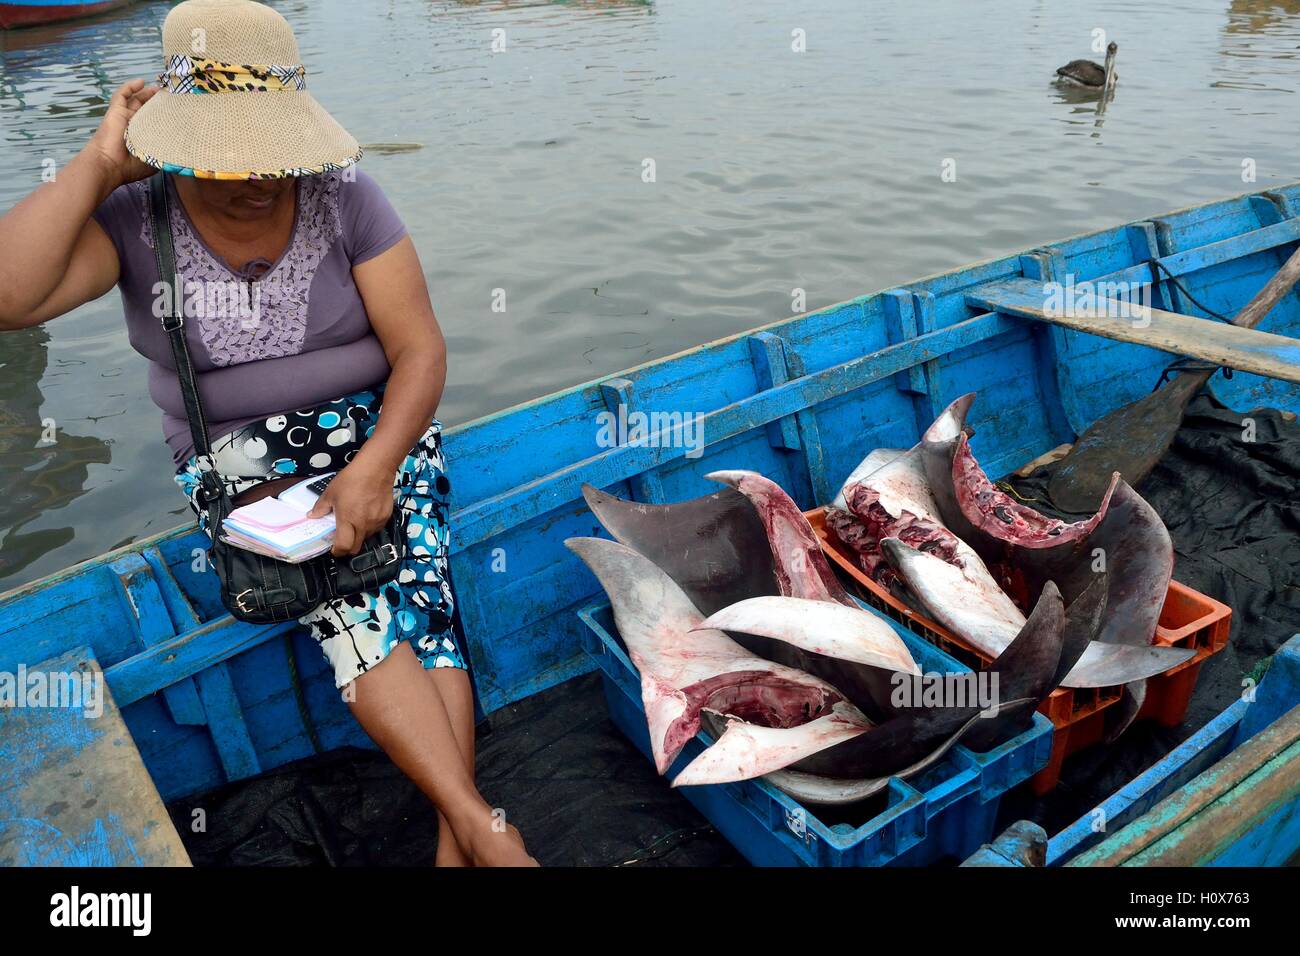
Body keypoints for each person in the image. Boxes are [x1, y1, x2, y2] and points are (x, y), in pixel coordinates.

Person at [0, 0, 535, 867]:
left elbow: (421, 351)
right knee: (347, 586)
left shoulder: (347, 198)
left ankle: (457, 835)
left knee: (418, 583)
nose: (258, 177)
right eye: (229, 158)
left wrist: (375, 466)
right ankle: (477, 826)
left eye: (272, 155)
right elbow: (10, 298)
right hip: (239, 461)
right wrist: (98, 166)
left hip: (382, 429)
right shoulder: (139, 215)